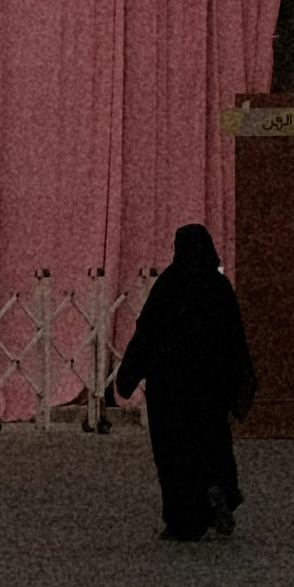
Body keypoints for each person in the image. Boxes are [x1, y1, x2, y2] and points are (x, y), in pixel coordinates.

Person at [109, 225, 256, 543]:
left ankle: (184, 520)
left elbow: (147, 333)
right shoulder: (219, 287)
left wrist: (127, 377)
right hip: (210, 389)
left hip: (170, 390)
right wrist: (239, 387)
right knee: (212, 444)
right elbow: (234, 340)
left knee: (175, 454)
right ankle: (218, 490)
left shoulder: (169, 285)